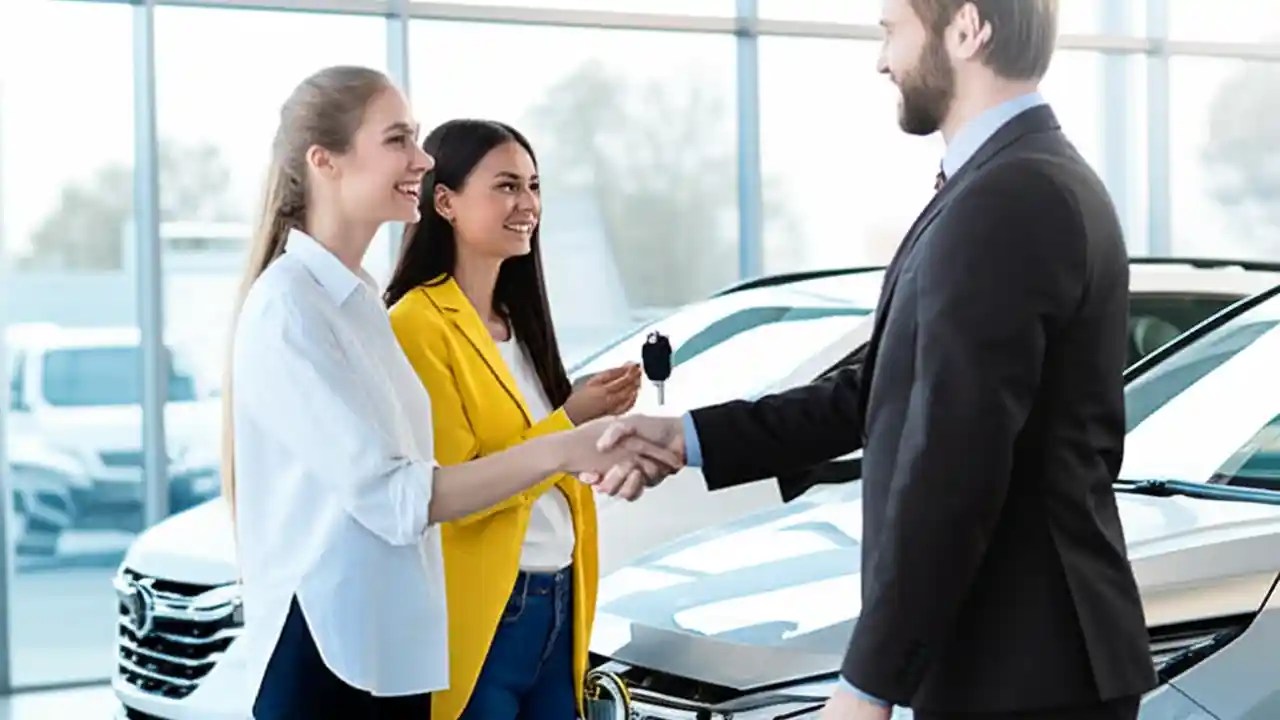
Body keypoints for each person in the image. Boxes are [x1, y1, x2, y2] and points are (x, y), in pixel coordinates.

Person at [587, 1, 1158, 719]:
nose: (882, 60)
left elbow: (954, 461)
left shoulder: (1011, 196)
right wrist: (688, 438)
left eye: (892, 31)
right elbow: (881, 394)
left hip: (1021, 667)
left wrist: (868, 685)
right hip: (1017, 662)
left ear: (967, 28)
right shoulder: (1007, 180)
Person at [220, 67, 675, 720]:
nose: (423, 159)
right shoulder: (291, 311)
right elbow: (402, 494)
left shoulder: (356, 307)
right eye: (399, 140)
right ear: (326, 161)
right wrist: (565, 445)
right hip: (327, 648)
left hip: (392, 644)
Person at [383, 118, 640, 720]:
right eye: (505, 186)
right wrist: (570, 422)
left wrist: (591, 424)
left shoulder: (517, 324)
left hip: (559, 599)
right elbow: (453, 487)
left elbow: (539, 454)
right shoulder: (416, 323)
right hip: (490, 609)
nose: (527, 204)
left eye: (533, 185)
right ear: (443, 201)